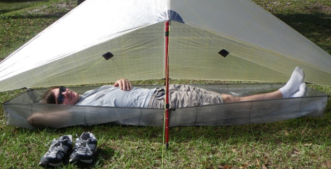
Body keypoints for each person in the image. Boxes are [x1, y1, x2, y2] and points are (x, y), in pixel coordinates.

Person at [42, 67, 307, 108]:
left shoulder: (88, 95)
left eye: (62, 88)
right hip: (160, 105)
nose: (66, 92)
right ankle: (285, 94)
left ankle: (291, 95)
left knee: (226, 96)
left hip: (160, 91)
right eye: (59, 97)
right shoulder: (82, 111)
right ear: (60, 110)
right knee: (227, 101)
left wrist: (121, 82)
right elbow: (36, 116)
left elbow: (120, 91)